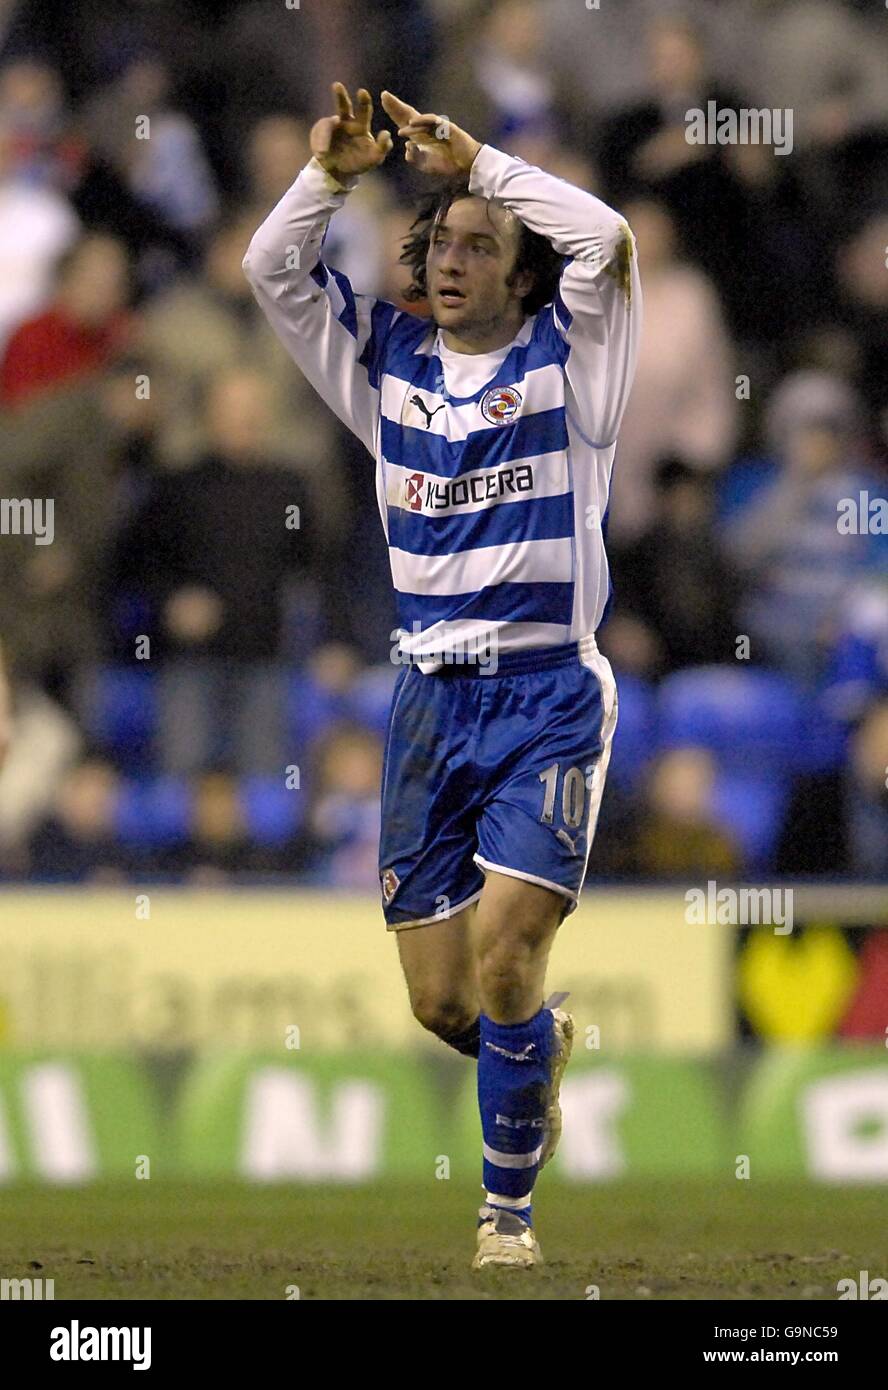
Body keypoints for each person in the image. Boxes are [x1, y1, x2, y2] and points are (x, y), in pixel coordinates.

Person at [243, 83, 642, 1269]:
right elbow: (273, 270)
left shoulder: (578, 366)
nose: (454, 260)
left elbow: (608, 238)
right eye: (444, 243)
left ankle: (505, 1217)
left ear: (524, 276)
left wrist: (482, 162)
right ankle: (537, 1050)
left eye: (482, 246)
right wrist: (332, 177)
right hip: (426, 701)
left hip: (547, 699)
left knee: (508, 954)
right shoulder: (384, 360)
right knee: (445, 1002)